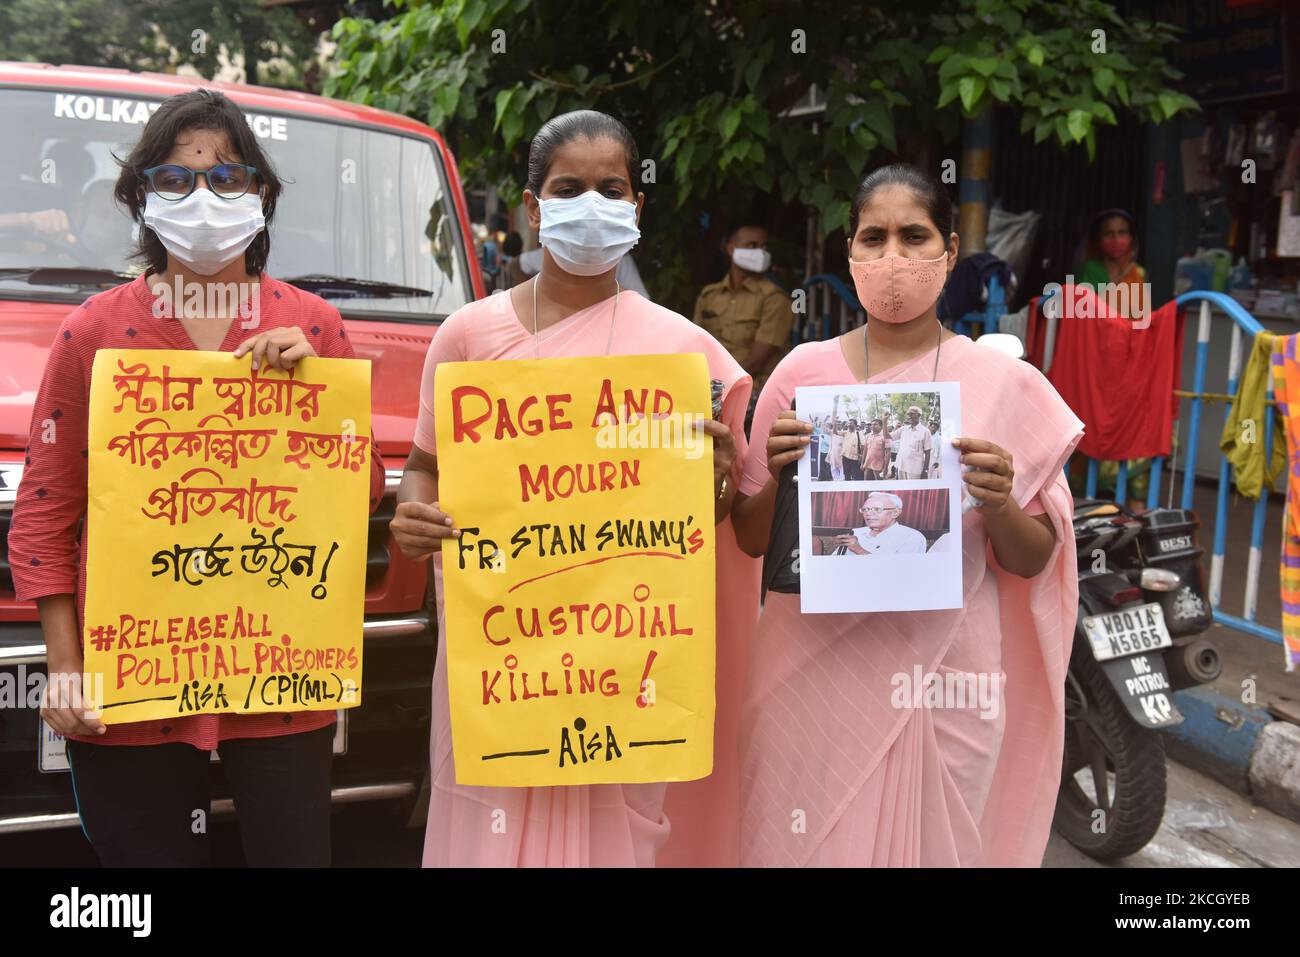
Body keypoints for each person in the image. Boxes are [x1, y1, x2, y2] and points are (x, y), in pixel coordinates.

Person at [7, 89, 385, 867]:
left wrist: (316, 398)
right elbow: (44, 513)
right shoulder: (94, 332)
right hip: (130, 688)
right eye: (175, 181)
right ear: (142, 197)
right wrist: (66, 669)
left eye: (227, 178)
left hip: (280, 684)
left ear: (263, 195)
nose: (202, 200)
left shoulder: (315, 326)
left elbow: (364, 490)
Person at [388, 110, 759, 868]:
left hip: (624, 665)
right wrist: (411, 512)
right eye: (569, 188)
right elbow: (424, 465)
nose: (591, 204)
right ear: (533, 207)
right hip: (503, 657)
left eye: (611, 188)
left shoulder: (684, 354)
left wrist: (716, 479)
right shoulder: (467, 336)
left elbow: (711, 524)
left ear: (636, 207)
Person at [730, 163, 1083, 867]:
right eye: (875, 236)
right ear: (851, 253)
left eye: (914, 236)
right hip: (811, 680)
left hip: (948, 683)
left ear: (949, 251)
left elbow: (1030, 558)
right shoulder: (802, 374)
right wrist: (778, 476)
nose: (894, 256)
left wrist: (998, 498)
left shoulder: (1004, 384)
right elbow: (747, 537)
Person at [692, 223, 795, 424]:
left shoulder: (775, 298)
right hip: (709, 388)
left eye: (763, 246)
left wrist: (721, 387)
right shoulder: (709, 296)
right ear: (731, 249)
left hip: (753, 390)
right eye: (752, 245)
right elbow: (695, 348)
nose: (760, 252)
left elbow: (757, 361)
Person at [834, 491, 927, 554]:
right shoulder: (855, 533)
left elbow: (901, 572)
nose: (868, 513)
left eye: (877, 509)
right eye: (865, 509)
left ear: (895, 513)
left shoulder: (912, 537)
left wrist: (860, 550)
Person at [891, 404, 932, 479]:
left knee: (913, 490)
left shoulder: (925, 431)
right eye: (908, 414)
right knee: (902, 489)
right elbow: (888, 436)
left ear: (919, 415)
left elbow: (928, 452)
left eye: (911, 414)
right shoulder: (903, 429)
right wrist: (884, 421)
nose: (909, 416)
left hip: (915, 469)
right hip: (901, 466)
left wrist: (925, 470)